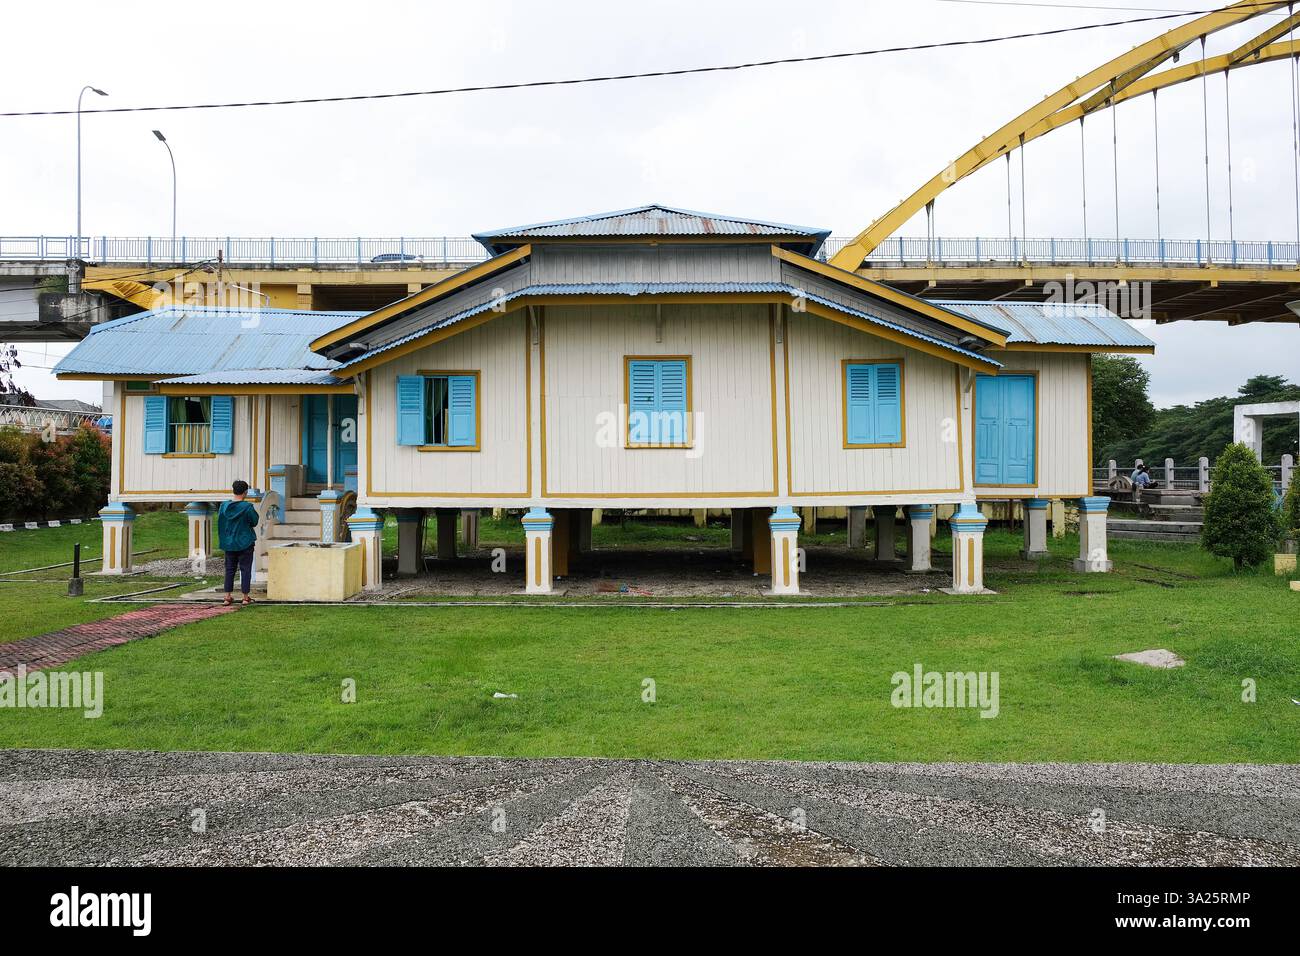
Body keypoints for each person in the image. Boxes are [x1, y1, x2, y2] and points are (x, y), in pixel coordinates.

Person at [218, 480, 259, 606]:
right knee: (245, 569)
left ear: (233, 490)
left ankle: (227, 596)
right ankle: (245, 597)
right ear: (245, 492)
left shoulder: (223, 506)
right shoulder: (247, 507)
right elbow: (254, 521)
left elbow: (221, 522)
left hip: (229, 542)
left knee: (229, 569)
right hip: (245, 541)